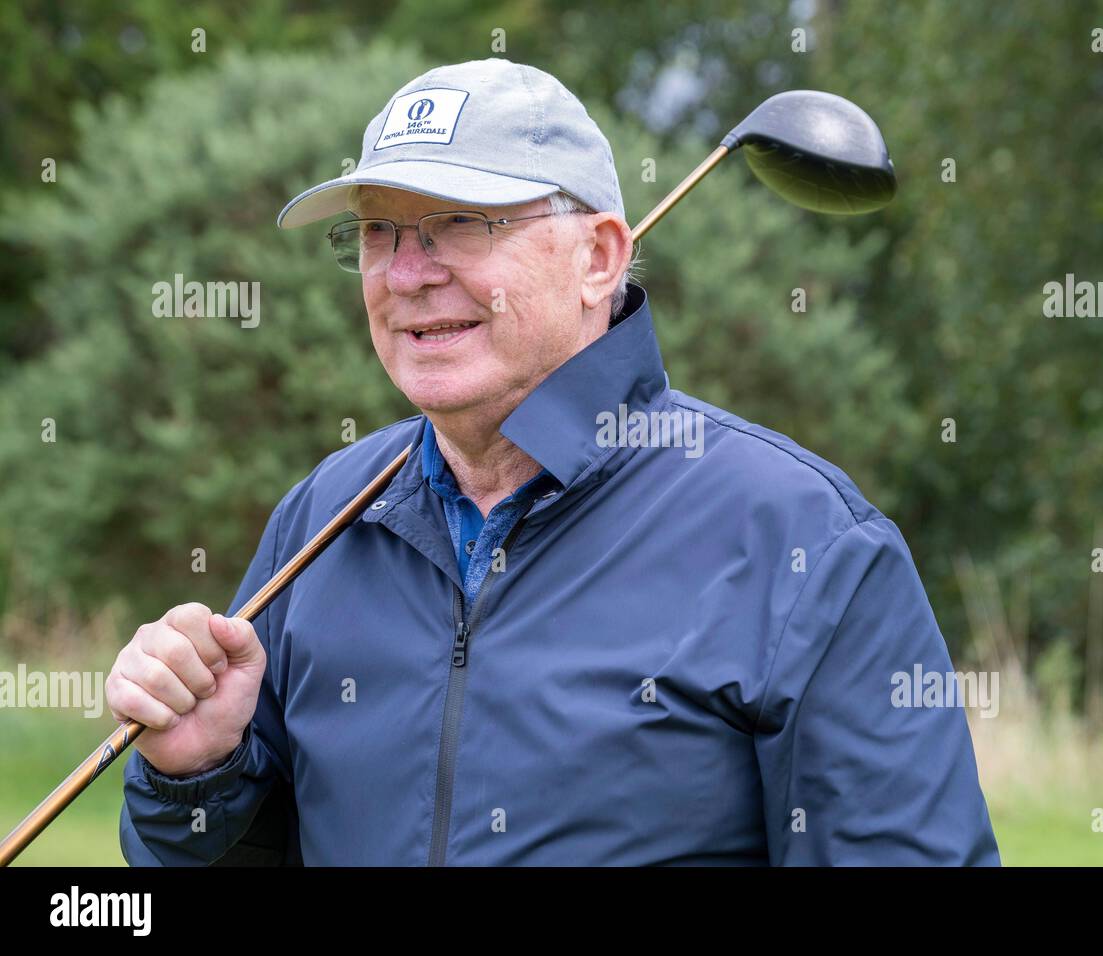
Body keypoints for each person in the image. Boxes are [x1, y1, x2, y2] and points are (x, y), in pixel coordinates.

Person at [111, 57, 1000, 865]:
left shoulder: (802, 538)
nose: (406, 273)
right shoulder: (323, 517)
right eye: (379, 233)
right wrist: (201, 779)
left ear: (598, 257)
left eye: (457, 224)